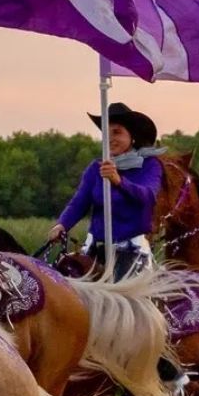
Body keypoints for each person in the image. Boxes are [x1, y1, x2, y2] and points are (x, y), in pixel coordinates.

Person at [48, 101, 162, 279]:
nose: (110, 138)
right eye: (106, 133)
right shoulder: (96, 168)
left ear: (132, 136)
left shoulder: (149, 165)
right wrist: (62, 224)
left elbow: (148, 196)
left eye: (117, 132)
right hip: (95, 249)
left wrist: (119, 181)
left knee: (127, 301)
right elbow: (79, 202)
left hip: (131, 249)